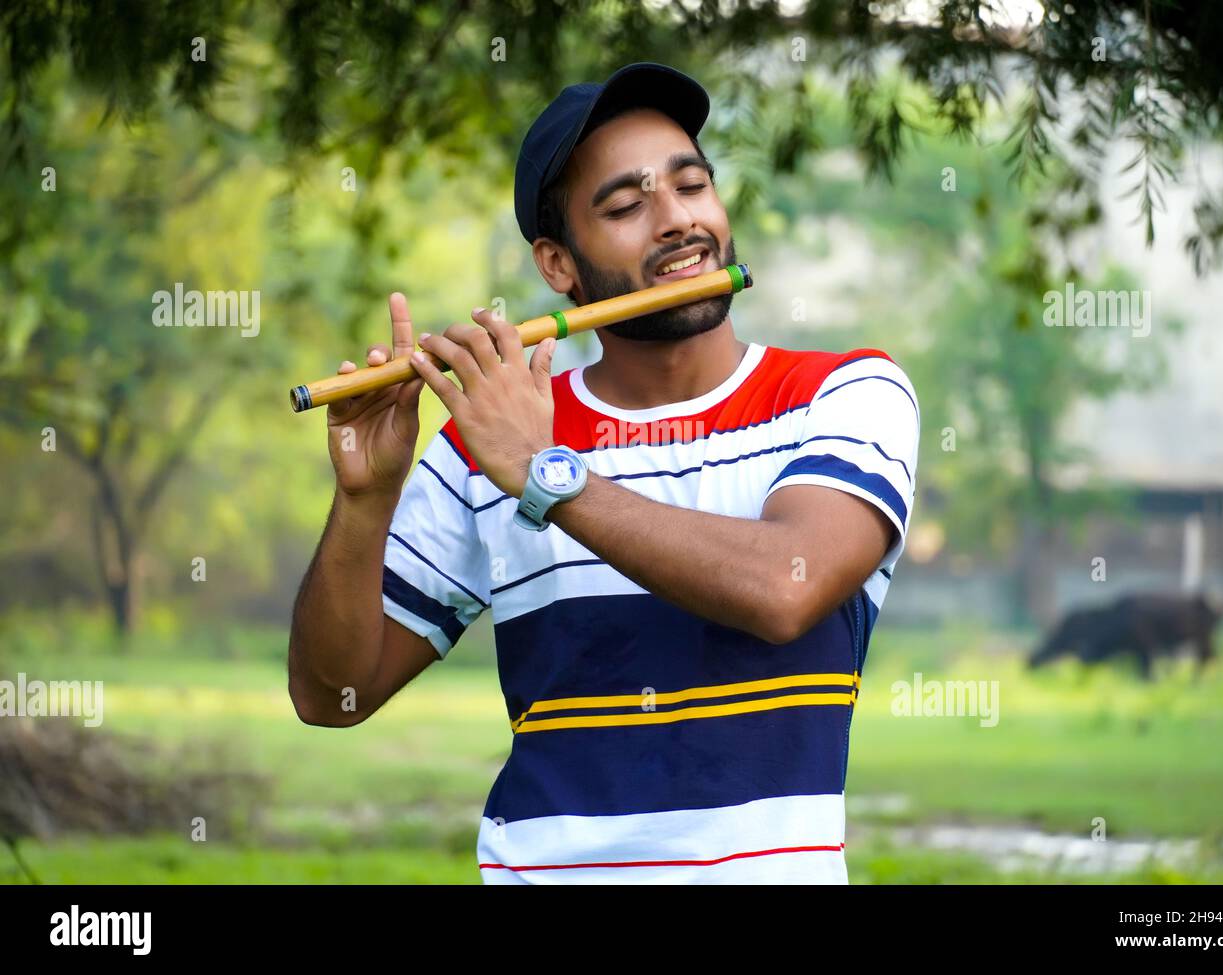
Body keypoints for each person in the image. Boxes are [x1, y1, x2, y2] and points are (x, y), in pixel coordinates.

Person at [288, 62, 920, 884]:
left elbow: (783, 590)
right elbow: (332, 696)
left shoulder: (845, 394)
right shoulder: (491, 441)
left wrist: (547, 474)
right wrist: (364, 500)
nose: (677, 221)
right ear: (558, 265)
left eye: (693, 186)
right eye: (625, 206)